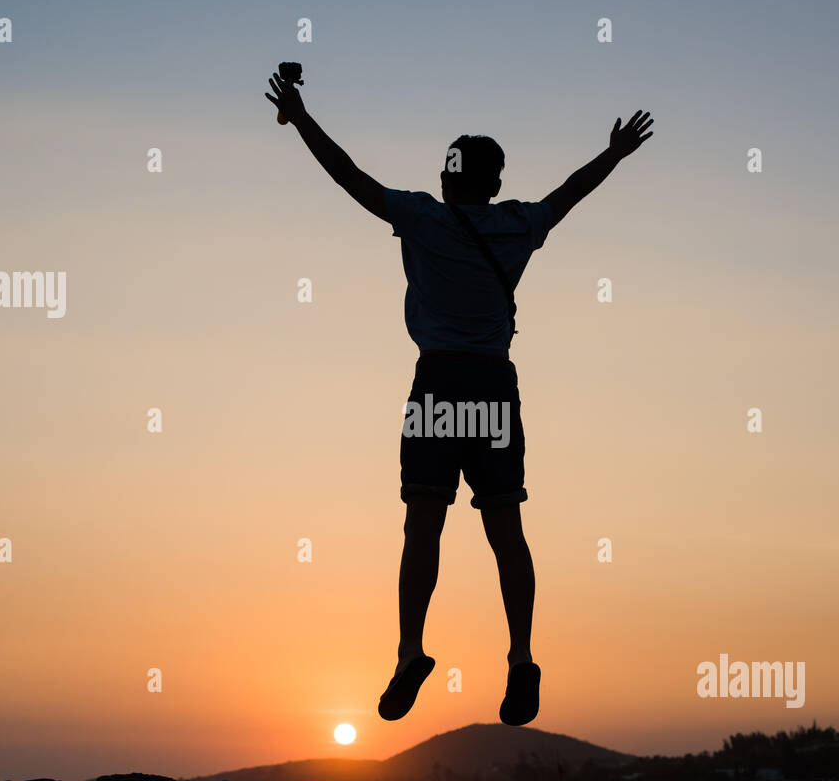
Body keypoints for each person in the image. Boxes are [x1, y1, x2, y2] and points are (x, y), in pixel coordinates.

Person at [264, 70, 653, 725]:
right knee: (506, 530)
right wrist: (613, 153)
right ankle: (522, 657)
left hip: (438, 385)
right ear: (494, 182)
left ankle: (411, 650)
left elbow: (348, 176)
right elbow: (569, 193)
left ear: (450, 177)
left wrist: (300, 116)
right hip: (493, 387)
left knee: (423, 525)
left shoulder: (420, 216)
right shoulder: (517, 225)